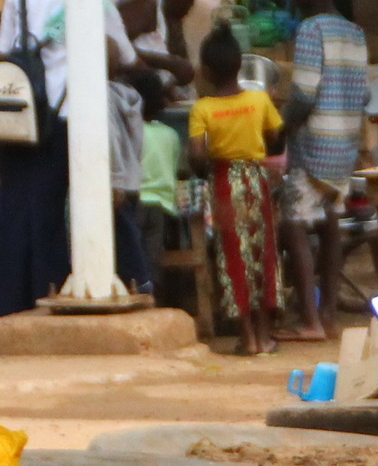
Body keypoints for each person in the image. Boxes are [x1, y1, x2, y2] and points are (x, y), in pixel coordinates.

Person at [0, 0, 136, 317]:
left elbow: (4, 52)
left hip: (19, 114)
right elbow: (125, 55)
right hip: (66, 117)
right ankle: (47, 304)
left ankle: (8, 311)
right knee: (51, 222)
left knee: (16, 218)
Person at [188, 26, 283, 354]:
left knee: (233, 258)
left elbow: (197, 157)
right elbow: (277, 137)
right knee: (262, 254)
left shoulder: (203, 109)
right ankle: (265, 335)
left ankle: (248, 337)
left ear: (207, 71)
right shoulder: (259, 100)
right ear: (239, 65)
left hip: (225, 183)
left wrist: (210, 162)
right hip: (256, 182)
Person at [277, 0, 366, 342]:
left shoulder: (311, 30)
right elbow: (365, 92)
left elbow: (303, 93)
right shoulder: (355, 33)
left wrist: (283, 125)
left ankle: (310, 320)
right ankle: (328, 314)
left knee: (294, 222)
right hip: (344, 145)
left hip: (314, 144)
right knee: (330, 223)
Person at [133, 70, 180, 296]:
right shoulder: (170, 135)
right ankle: (152, 301)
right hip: (160, 206)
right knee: (153, 259)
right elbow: (175, 167)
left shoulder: (131, 133)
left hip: (133, 203)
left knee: (131, 256)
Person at [109, 67, 151, 291]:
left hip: (116, 185)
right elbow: (137, 140)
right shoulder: (127, 97)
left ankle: (140, 286)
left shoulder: (101, 96)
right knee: (132, 241)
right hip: (132, 178)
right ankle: (142, 285)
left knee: (125, 245)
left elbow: (111, 138)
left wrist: (116, 179)